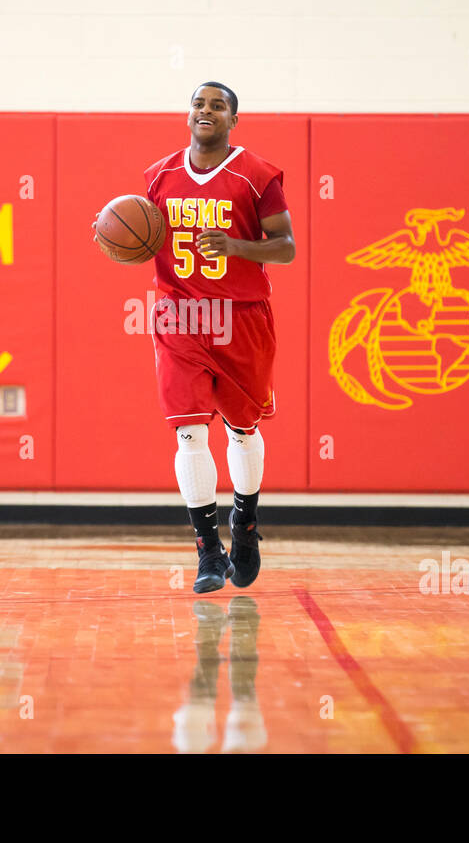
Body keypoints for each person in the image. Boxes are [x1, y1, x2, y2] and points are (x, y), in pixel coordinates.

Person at [135, 82, 295, 594]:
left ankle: (244, 526)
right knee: (188, 431)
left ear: (233, 119)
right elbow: (144, 238)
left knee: (242, 430)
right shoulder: (157, 175)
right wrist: (112, 235)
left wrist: (238, 247)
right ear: (188, 114)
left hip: (241, 316)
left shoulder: (258, 175)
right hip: (178, 315)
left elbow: (286, 248)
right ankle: (207, 549)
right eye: (199, 103)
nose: (206, 110)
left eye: (218, 105)